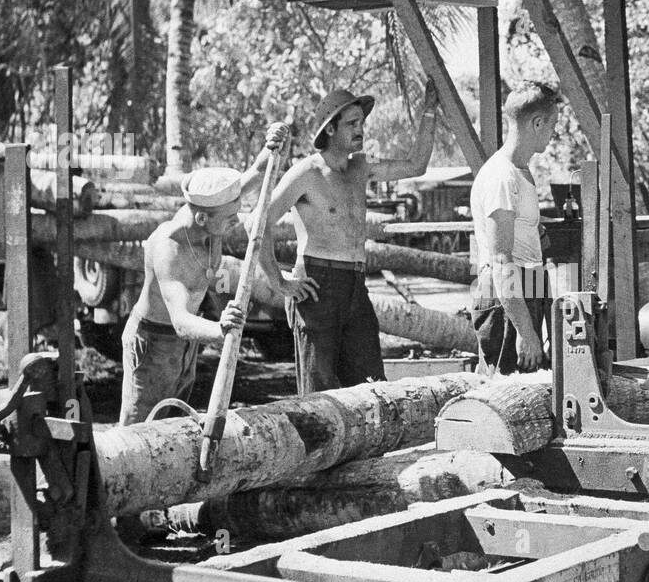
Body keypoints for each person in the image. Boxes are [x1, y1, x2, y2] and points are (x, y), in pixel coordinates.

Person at [258, 85, 437, 394]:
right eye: (352, 123)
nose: (360, 130)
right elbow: (259, 224)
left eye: (361, 122)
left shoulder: (360, 167)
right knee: (319, 393)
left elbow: (415, 166)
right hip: (317, 284)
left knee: (370, 387)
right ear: (330, 129)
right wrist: (279, 281)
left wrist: (430, 111)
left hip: (355, 285)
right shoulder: (306, 173)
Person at [118, 127, 292, 426]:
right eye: (230, 218)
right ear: (201, 218)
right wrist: (220, 329)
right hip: (155, 343)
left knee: (174, 425)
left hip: (186, 344)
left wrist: (276, 144)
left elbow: (256, 172)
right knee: (139, 428)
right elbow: (181, 321)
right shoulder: (170, 250)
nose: (236, 221)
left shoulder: (213, 211)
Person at [469, 84, 560, 375]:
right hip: (505, 297)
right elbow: (500, 259)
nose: (554, 132)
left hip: (527, 287)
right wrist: (525, 331)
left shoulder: (521, 172)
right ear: (537, 123)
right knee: (505, 390)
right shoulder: (501, 176)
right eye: (553, 124)